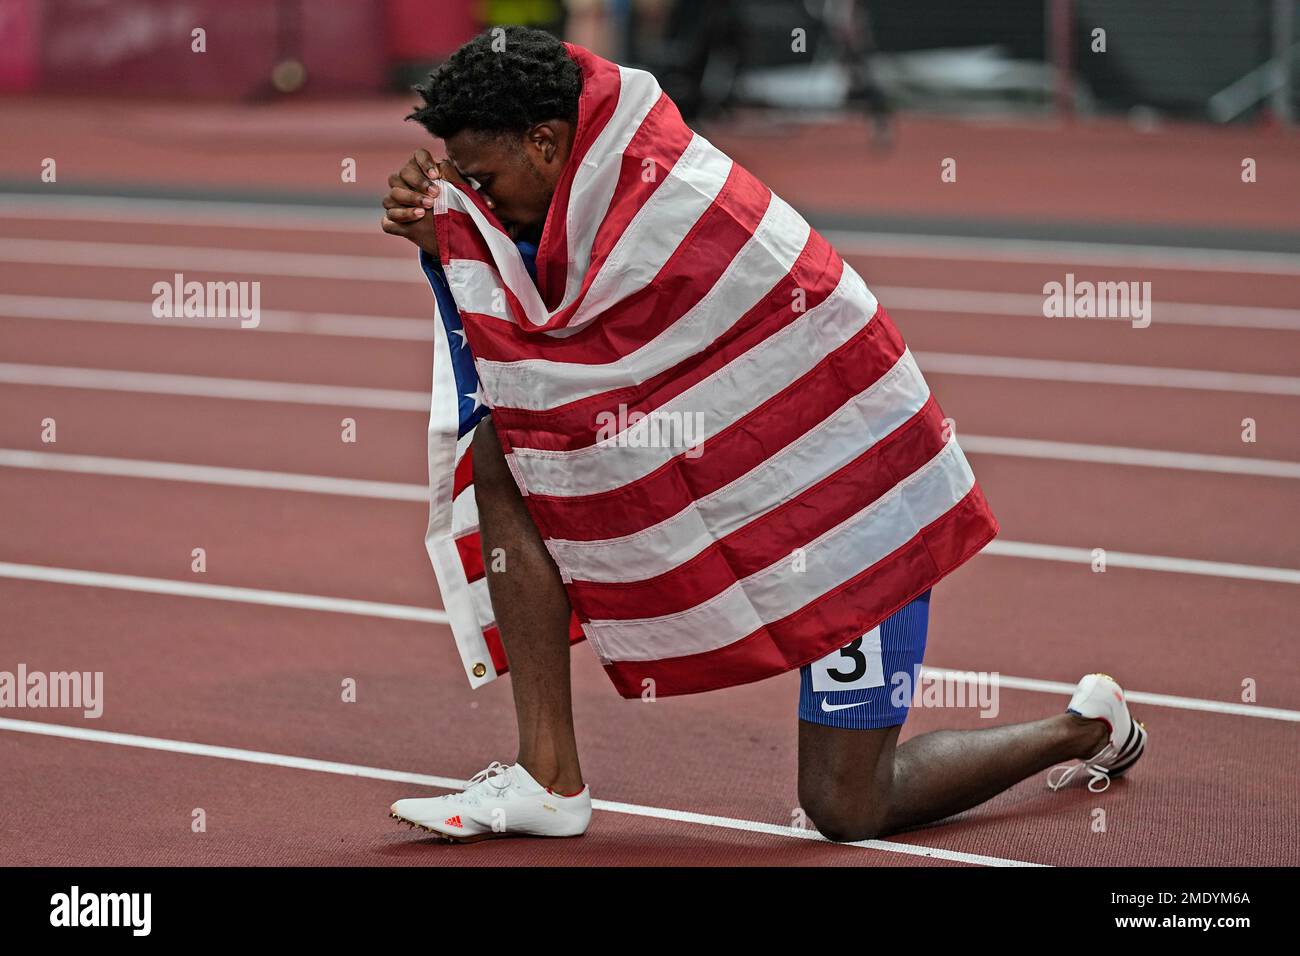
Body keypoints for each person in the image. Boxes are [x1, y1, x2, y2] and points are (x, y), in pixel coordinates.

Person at [380, 26, 1146, 844]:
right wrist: (461, 235)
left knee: (849, 805)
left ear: (545, 142)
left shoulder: (666, 191)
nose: (475, 198)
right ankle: (547, 777)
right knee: (510, 451)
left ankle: (1087, 727)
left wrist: (470, 242)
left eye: (485, 181)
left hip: (851, 487)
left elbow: (576, 343)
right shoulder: (583, 185)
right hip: (733, 454)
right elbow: (565, 356)